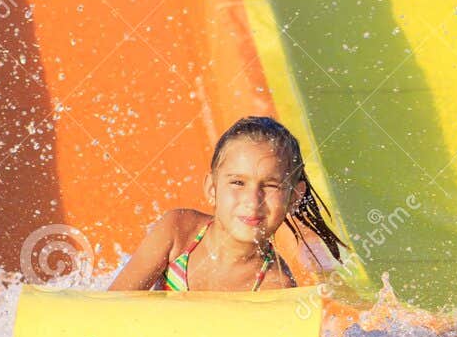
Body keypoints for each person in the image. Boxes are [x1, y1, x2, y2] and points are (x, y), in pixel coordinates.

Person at [109, 116, 346, 293]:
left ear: (294, 197)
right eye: (238, 182)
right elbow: (114, 308)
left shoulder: (274, 288)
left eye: (271, 185)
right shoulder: (178, 232)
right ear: (212, 189)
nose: (253, 200)